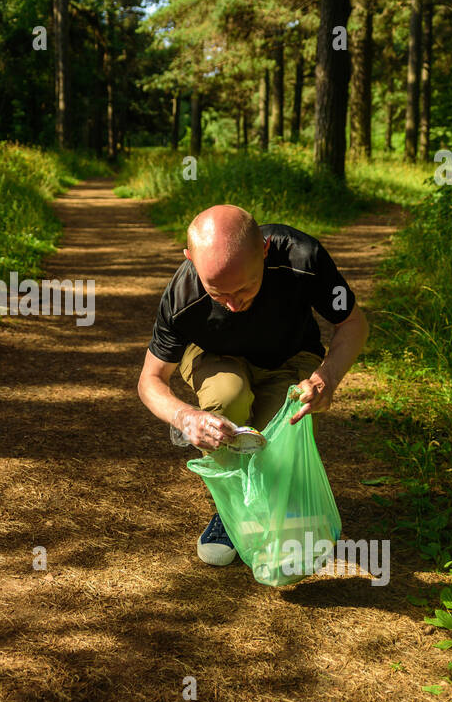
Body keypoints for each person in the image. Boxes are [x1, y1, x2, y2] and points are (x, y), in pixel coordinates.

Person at [136, 204, 369, 566]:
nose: (232, 305)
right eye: (217, 293)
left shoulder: (303, 257)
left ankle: (274, 506)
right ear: (189, 259)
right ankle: (231, 513)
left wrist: (328, 377)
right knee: (227, 397)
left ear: (264, 248)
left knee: (280, 432)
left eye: (245, 288)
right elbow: (150, 380)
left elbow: (353, 323)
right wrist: (185, 418)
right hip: (215, 356)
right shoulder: (181, 298)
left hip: (290, 356)